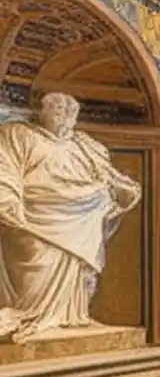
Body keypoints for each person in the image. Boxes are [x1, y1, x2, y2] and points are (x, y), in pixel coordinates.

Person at [0, 93, 141, 342]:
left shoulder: (85, 146)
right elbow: (5, 168)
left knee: (77, 272)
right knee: (35, 270)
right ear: (42, 111)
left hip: (83, 221)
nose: (64, 113)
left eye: (70, 110)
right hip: (36, 219)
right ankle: (30, 314)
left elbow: (110, 178)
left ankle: (70, 316)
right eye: (58, 108)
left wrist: (123, 190)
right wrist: (8, 200)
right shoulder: (19, 135)